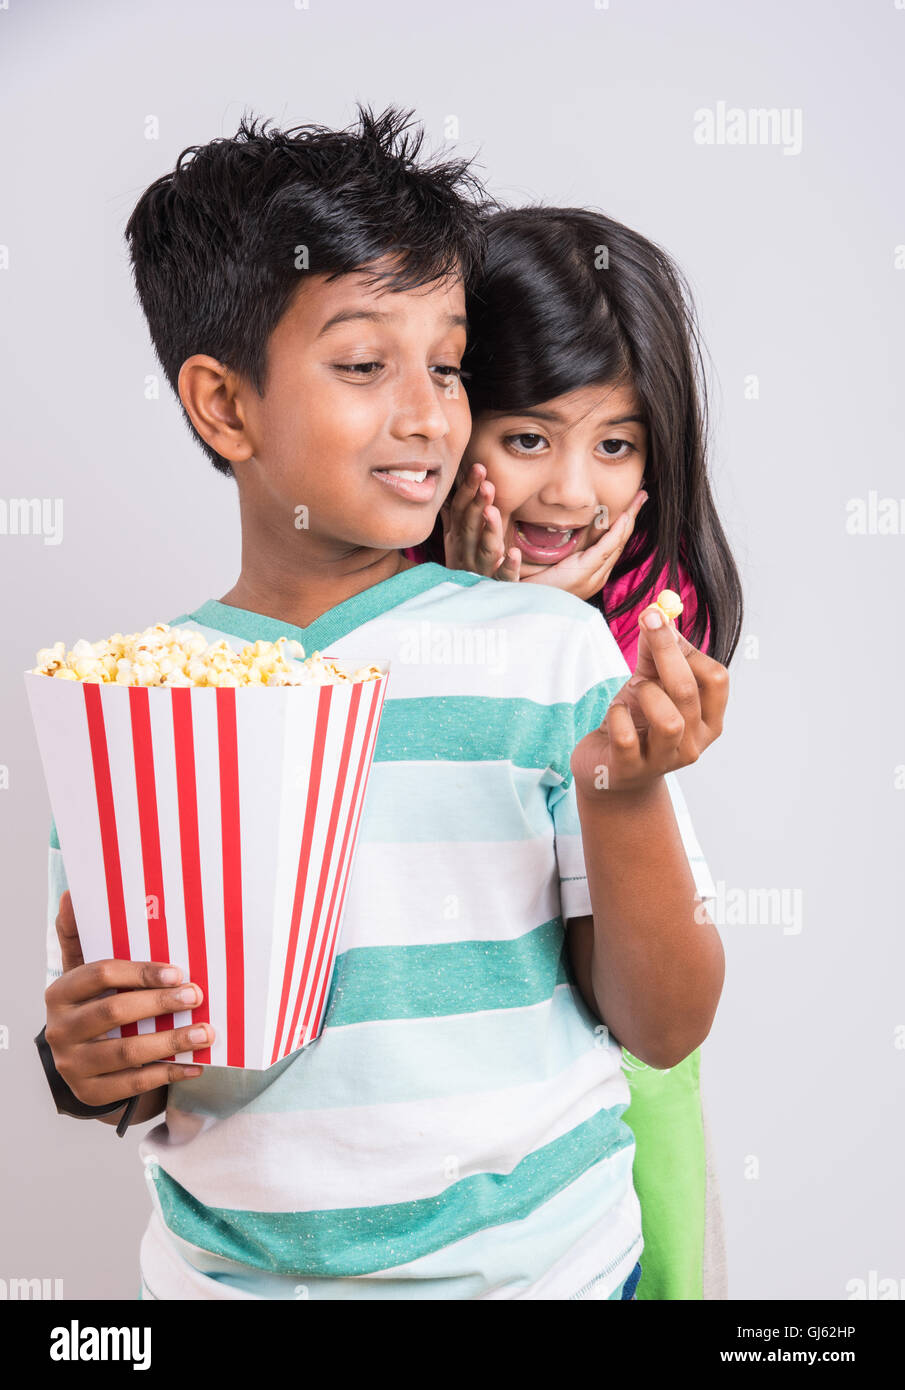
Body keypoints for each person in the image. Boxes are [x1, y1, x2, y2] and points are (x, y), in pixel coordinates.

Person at [38, 107, 727, 1300]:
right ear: (225, 406)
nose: (427, 416)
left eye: (449, 367)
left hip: (544, 1277)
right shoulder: (131, 707)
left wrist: (625, 790)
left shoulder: (546, 652)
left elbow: (662, 1026)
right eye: (364, 366)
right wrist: (89, 1060)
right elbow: (145, 1059)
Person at [403, 206, 743, 1298]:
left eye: (614, 444)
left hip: (625, 1062)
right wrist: (470, 611)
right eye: (527, 437)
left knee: (674, 1269)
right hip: (462, 1103)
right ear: (457, 425)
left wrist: (529, 623)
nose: (568, 493)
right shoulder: (384, 591)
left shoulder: (648, 604)